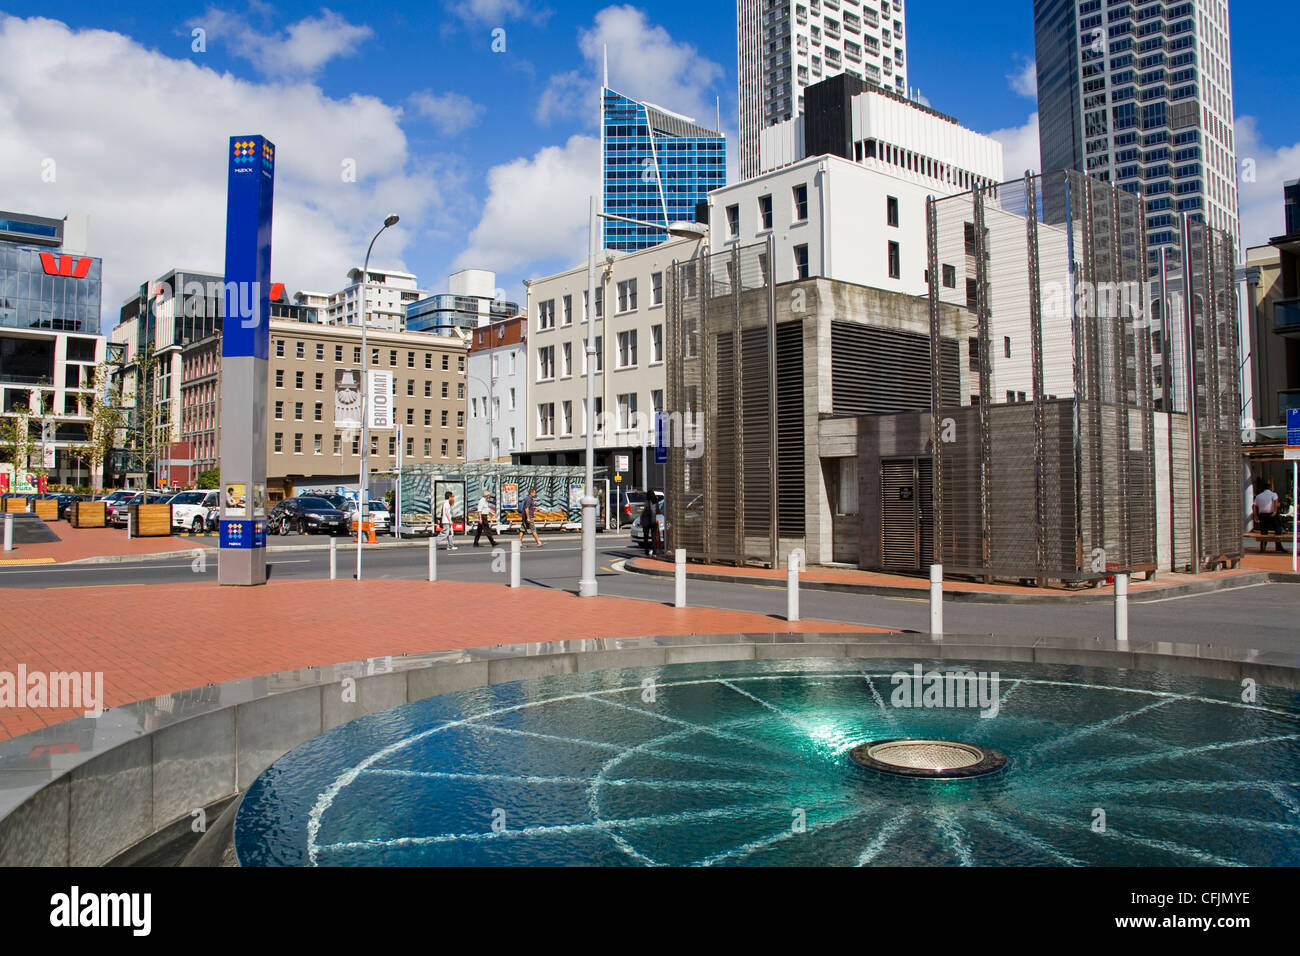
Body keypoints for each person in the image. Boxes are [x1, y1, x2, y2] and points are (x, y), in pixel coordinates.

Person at [1253, 477, 1286, 553]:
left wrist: (1255, 515)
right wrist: (1275, 511)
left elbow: (1254, 505)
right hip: (1272, 514)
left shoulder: (1258, 496)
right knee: (1278, 529)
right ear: (1270, 488)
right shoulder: (1273, 494)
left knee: (1264, 531)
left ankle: (1263, 547)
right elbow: (1275, 502)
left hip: (1263, 515)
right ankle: (1278, 546)